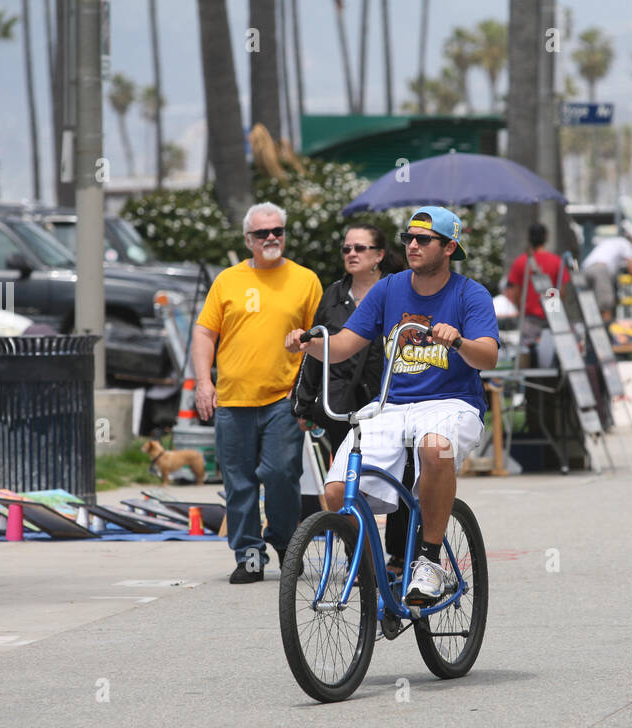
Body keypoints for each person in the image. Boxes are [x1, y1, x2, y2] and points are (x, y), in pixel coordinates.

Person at [285, 206, 500, 605]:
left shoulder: (471, 294)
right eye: (408, 238)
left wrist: (458, 342)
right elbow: (346, 343)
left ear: (450, 247)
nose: (413, 245)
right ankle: (373, 581)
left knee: (434, 448)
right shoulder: (389, 289)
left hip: (452, 404)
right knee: (335, 492)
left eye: (424, 239)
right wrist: (308, 343)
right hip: (393, 406)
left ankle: (429, 561)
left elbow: (487, 357)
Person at [193, 201, 322, 583]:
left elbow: (320, 339)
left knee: (282, 472)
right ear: (248, 239)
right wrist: (204, 382)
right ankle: (249, 554)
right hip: (233, 400)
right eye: (262, 233)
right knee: (239, 480)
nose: (271, 238)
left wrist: (310, 395)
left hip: (284, 397)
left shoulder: (305, 280)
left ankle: (284, 542)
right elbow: (204, 332)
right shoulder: (228, 280)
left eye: (277, 231)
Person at [289, 223, 412, 574]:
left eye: (360, 248)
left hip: (391, 401)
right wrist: (305, 401)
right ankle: (360, 558)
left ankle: (401, 557)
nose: (352, 254)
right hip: (343, 406)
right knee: (348, 482)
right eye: (346, 249)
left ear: (379, 255)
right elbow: (318, 346)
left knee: (400, 478)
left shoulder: (397, 291)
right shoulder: (333, 295)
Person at [504, 222, 569, 368]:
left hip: (528, 319)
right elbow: (562, 292)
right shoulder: (556, 261)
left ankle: (529, 389)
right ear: (546, 237)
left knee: (528, 359)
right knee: (550, 361)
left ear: (529, 238)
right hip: (552, 318)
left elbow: (514, 292)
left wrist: (521, 308)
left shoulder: (521, 262)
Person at [581, 226, 632, 322]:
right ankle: (607, 334)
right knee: (606, 306)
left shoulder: (611, 241)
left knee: (591, 307)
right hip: (600, 269)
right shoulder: (626, 244)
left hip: (585, 269)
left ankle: (592, 334)